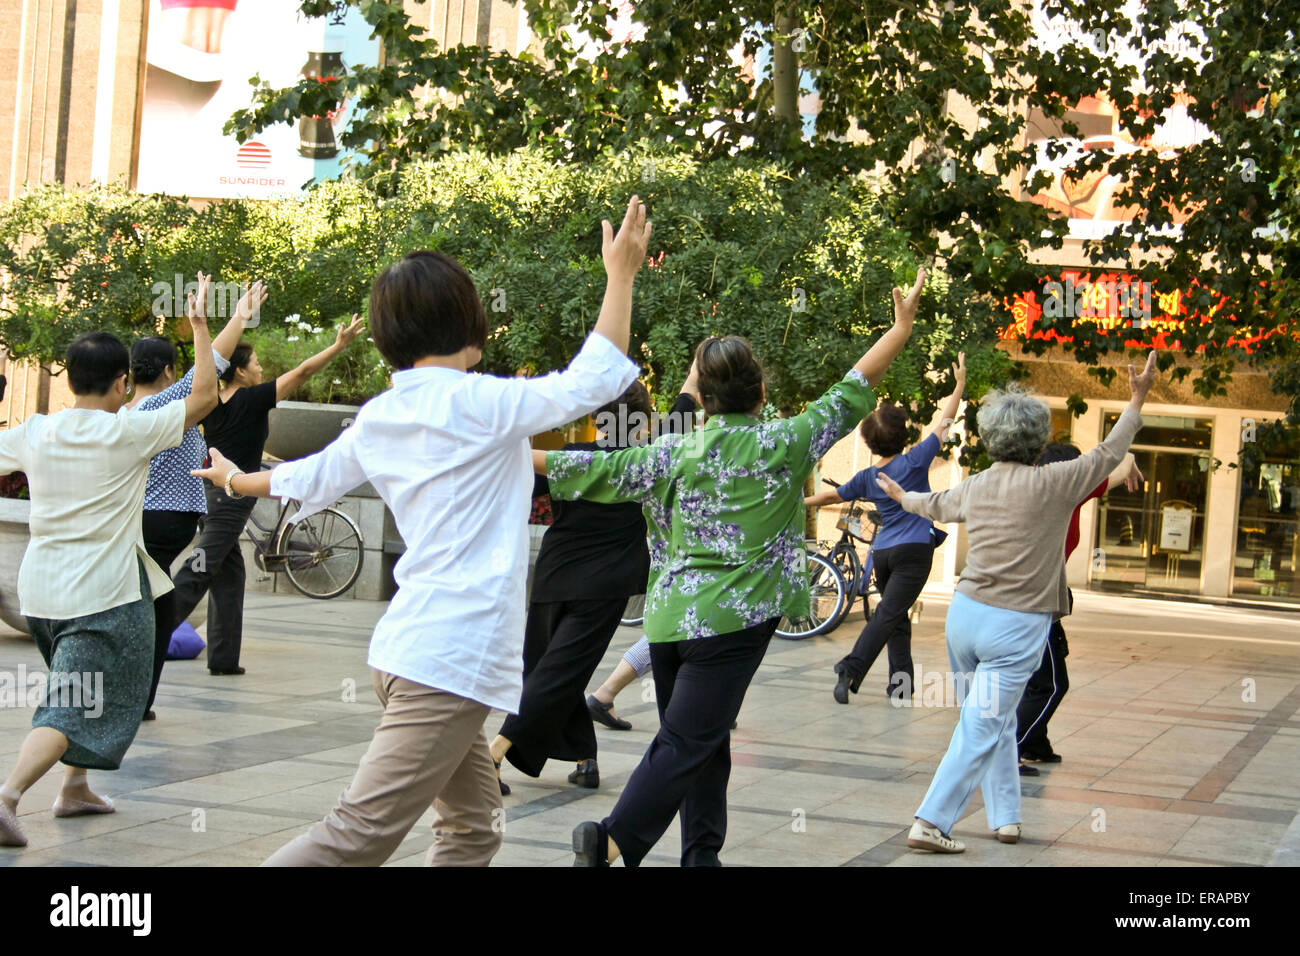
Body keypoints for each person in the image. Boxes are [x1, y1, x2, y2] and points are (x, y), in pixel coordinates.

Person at [191, 195, 652, 867]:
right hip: (447, 663)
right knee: (357, 835)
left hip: (415, 655)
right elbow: (594, 380)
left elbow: (306, 479)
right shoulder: (484, 401)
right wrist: (621, 277)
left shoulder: (382, 415)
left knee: (472, 830)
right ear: (471, 324)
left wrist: (235, 480)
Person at [539, 269, 926, 867]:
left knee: (705, 741)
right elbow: (856, 383)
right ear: (762, 391)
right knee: (688, 740)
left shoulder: (670, 448)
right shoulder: (787, 441)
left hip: (669, 622)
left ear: (705, 395)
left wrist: (486, 445)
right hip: (734, 623)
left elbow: (580, 469)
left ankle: (702, 856)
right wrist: (900, 329)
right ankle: (612, 840)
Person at [875, 351, 1159, 852]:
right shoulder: (1057, 480)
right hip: (1016, 625)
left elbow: (933, 505)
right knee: (981, 726)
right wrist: (1137, 397)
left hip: (964, 618)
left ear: (991, 438)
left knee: (994, 720)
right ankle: (930, 820)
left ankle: (1006, 816)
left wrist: (901, 498)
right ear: (1038, 439)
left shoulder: (978, 484)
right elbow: (1112, 451)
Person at [0, 298, 218, 849]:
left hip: (42, 595)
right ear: (122, 383)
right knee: (69, 706)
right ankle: (6, 798)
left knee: (77, 692)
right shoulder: (128, 432)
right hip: (101, 597)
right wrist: (198, 326)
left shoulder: (37, 431)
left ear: (70, 380)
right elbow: (205, 397)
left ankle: (75, 789)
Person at [493, 368, 699, 793]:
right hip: (607, 584)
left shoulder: (569, 458)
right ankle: (552, 756)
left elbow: (517, 489)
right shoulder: (649, 457)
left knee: (551, 670)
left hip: (555, 575)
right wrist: (695, 376)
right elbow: (683, 411)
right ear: (642, 422)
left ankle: (511, 755)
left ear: (595, 416)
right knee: (562, 670)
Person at [167, 312, 365, 676]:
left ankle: (224, 659)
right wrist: (338, 346)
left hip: (207, 494)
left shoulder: (207, 400)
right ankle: (151, 635)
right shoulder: (253, 399)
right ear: (240, 371)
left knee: (229, 571)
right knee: (200, 569)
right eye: (256, 363)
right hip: (230, 498)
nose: (261, 368)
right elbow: (303, 373)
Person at [126, 277, 266, 719]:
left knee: (155, 604)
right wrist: (233, 318)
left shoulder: (126, 412)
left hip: (148, 521)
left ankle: (137, 701)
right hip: (162, 520)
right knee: (153, 610)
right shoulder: (161, 408)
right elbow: (213, 366)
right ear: (168, 373)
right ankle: (131, 699)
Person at [805, 353, 967, 704]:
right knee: (891, 613)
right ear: (903, 434)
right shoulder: (915, 460)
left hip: (882, 554)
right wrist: (959, 386)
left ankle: (901, 686)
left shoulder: (866, 477)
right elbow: (945, 422)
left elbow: (832, 493)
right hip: (913, 552)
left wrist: (799, 503)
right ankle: (850, 667)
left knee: (897, 617)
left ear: (869, 441)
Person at [1015, 441, 1143, 776]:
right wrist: (1129, 459)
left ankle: (1033, 743)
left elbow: (1115, 465)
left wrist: (1128, 461)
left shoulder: (1039, 490)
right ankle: (1010, 750)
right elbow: (1117, 462)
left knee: (1044, 669)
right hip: (1030, 603)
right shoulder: (1066, 493)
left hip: (1033, 600)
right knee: (1051, 684)